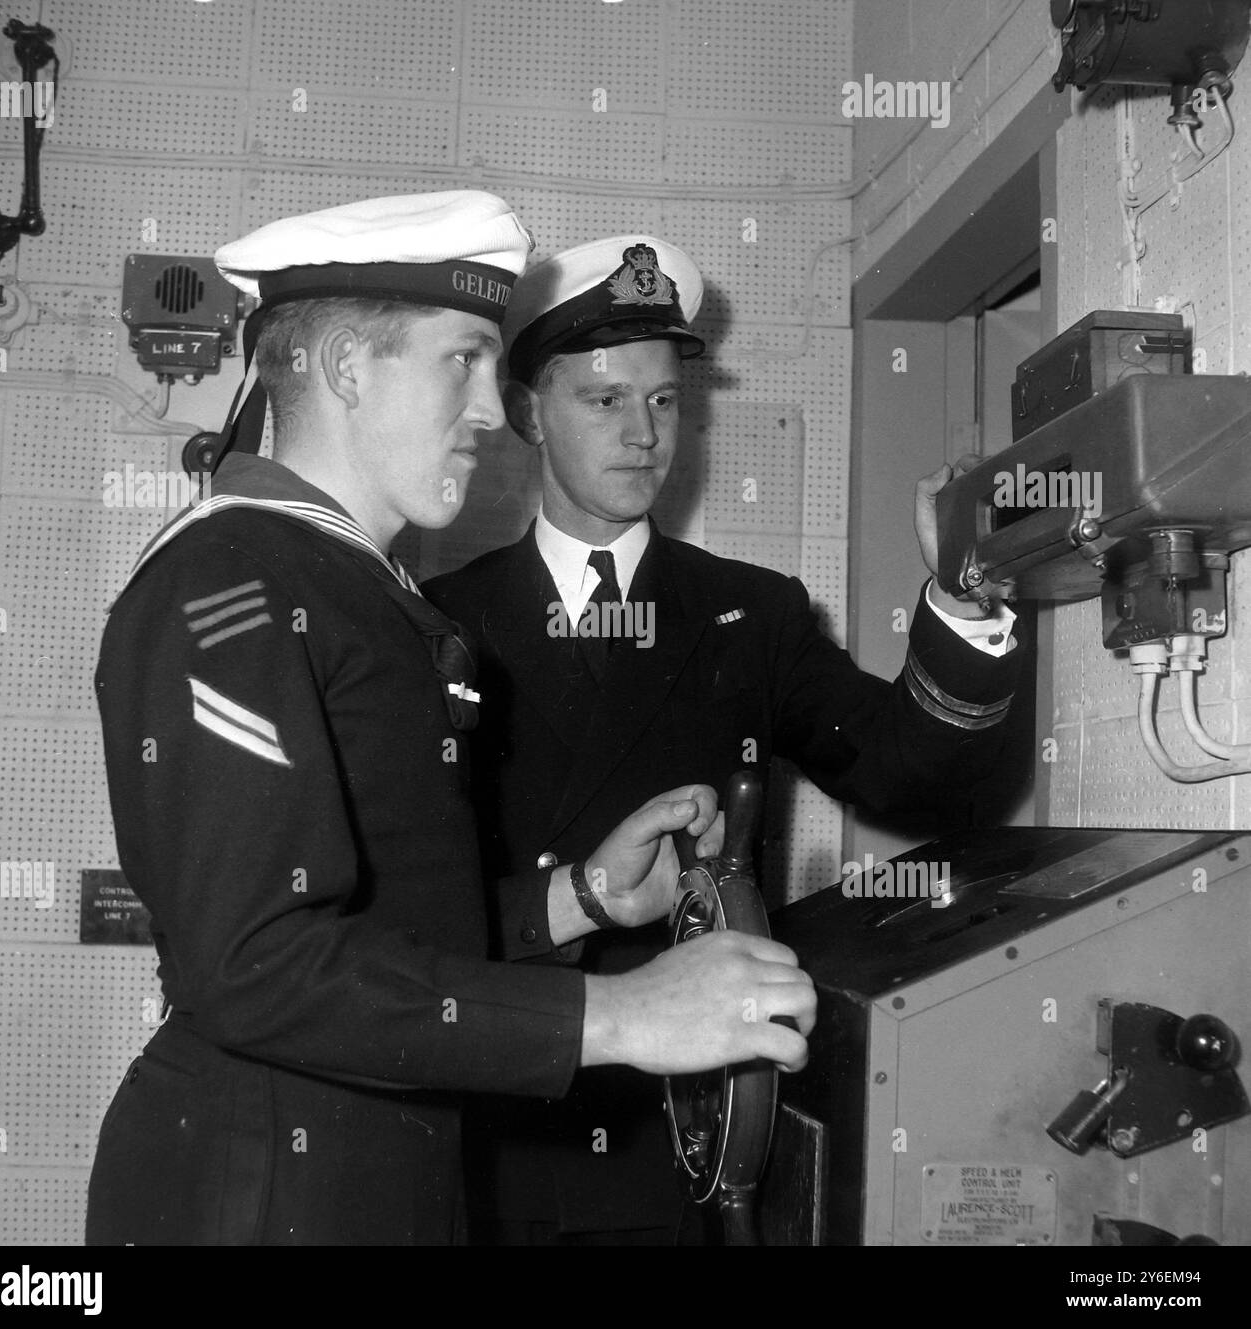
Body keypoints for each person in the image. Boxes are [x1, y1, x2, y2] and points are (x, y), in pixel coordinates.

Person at [85, 195, 817, 1247]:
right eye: (464, 360)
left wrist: (580, 900)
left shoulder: (346, 584)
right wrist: (618, 1017)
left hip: (370, 1170)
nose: (489, 410)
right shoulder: (229, 580)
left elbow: (393, 933)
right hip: (261, 1191)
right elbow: (257, 965)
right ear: (345, 366)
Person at [423, 234, 1026, 1244]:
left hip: (690, 1128)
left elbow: (911, 780)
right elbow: (402, 916)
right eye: (603, 400)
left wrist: (961, 598)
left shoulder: (749, 614)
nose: (643, 433)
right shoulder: (438, 620)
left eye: (664, 403)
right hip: (497, 1111)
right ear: (528, 412)